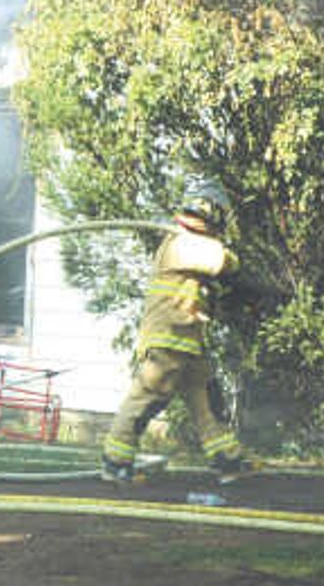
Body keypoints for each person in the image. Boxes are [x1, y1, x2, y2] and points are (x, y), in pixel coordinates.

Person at [101, 177, 255, 483]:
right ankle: (115, 461)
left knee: (206, 399)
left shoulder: (186, 242)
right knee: (149, 396)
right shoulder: (183, 244)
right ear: (212, 212)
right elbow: (224, 262)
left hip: (188, 342)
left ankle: (227, 458)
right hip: (168, 340)